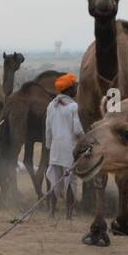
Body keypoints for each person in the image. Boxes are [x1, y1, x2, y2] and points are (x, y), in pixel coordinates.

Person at [44, 74, 85, 219]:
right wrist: (86, 143)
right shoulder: (74, 106)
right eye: (75, 86)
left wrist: (49, 146)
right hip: (70, 149)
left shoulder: (51, 105)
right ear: (70, 89)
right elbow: (78, 130)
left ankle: (52, 212)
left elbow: (48, 129)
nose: (77, 88)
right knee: (70, 181)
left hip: (55, 147)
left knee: (53, 180)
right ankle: (68, 214)